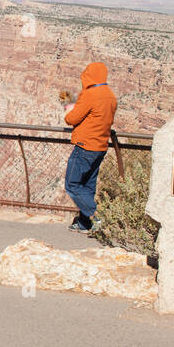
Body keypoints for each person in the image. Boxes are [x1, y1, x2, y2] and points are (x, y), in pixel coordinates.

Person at [62, 61, 118, 233]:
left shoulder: (91, 94)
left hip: (85, 146)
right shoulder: (110, 95)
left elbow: (72, 119)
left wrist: (69, 108)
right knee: (87, 186)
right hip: (100, 146)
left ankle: (98, 217)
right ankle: (84, 224)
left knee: (72, 184)